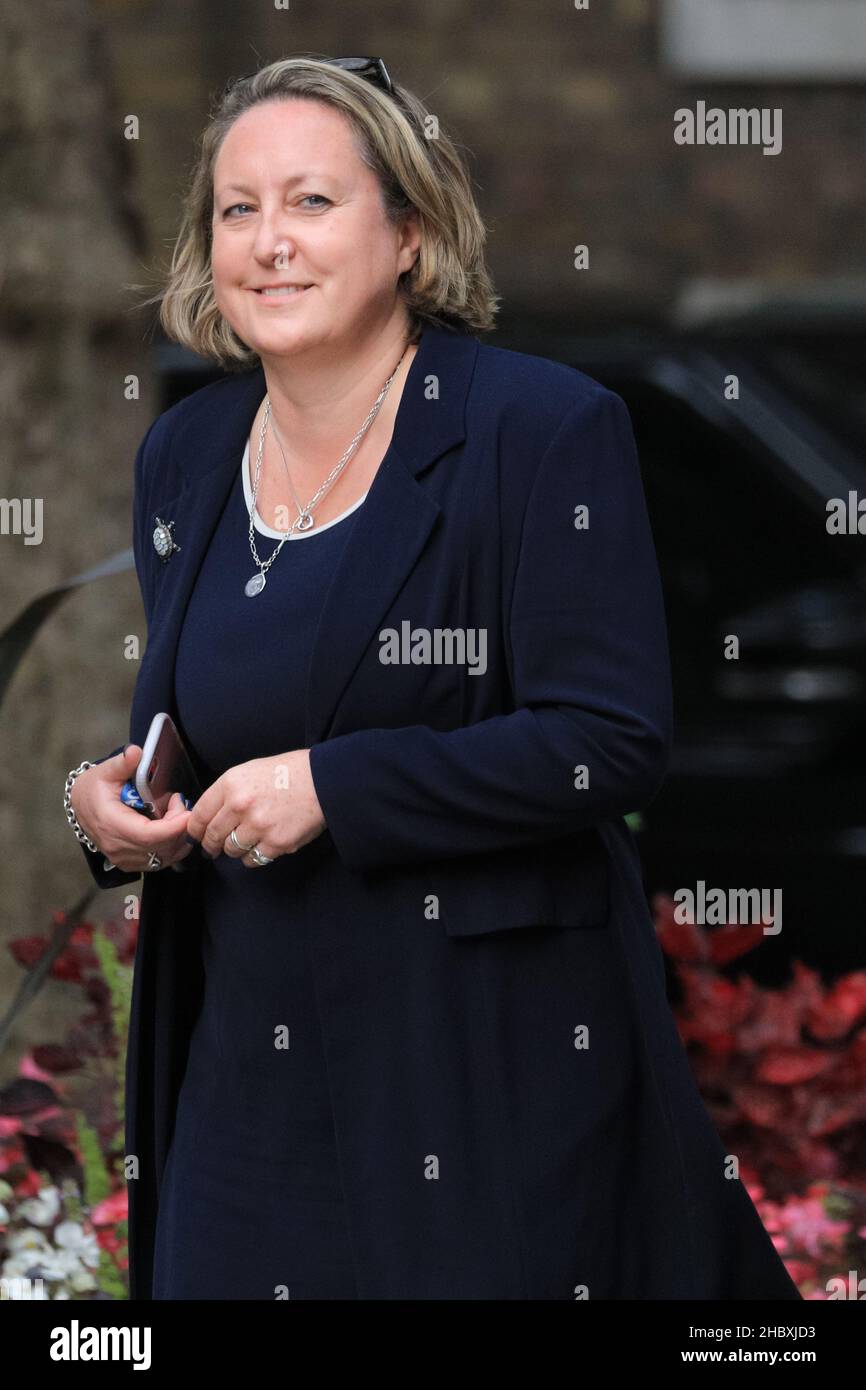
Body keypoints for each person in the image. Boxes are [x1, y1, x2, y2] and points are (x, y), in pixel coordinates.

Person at [65, 54, 802, 1301]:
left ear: (406, 230)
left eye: (310, 203)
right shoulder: (186, 454)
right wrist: (118, 804)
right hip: (244, 1072)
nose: (268, 243)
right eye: (236, 210)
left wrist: (335, 788)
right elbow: (196, 723)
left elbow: (607, 740)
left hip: (478, 1068)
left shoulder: (537, 428)